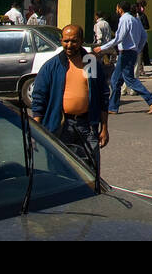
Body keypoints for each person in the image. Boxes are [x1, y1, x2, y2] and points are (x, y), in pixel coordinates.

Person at [31, 24, 109, 174]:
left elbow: (103, 96)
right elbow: (39, 99)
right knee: (59, 170)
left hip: (87, 126)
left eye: (73, 41)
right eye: (65, 41)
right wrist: (36, 130)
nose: (69, 45)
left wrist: (104, 128)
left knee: (90, 172)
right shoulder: (52, 66)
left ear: (81, 41)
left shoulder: (90, 63)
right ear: (61, 41)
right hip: (60, 126)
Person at [93, 2, 152, 114]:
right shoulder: (135, 20)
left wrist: (102, 48)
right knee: (115, 80)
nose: (116, 10)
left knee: (129, 79)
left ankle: (151, 99)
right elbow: (144, 36)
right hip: (130, 52)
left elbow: (119, 38)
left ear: (120, 9)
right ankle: (113, 107)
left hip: (126, 53)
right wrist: (138, 48)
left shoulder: (125, 19)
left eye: (117, 8)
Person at [134, 1, 152, 77]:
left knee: (140, 55)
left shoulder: (142, 16)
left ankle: (140, 70)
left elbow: (147, 26)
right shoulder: (131, 17)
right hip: (133, 39)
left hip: (140, 38)